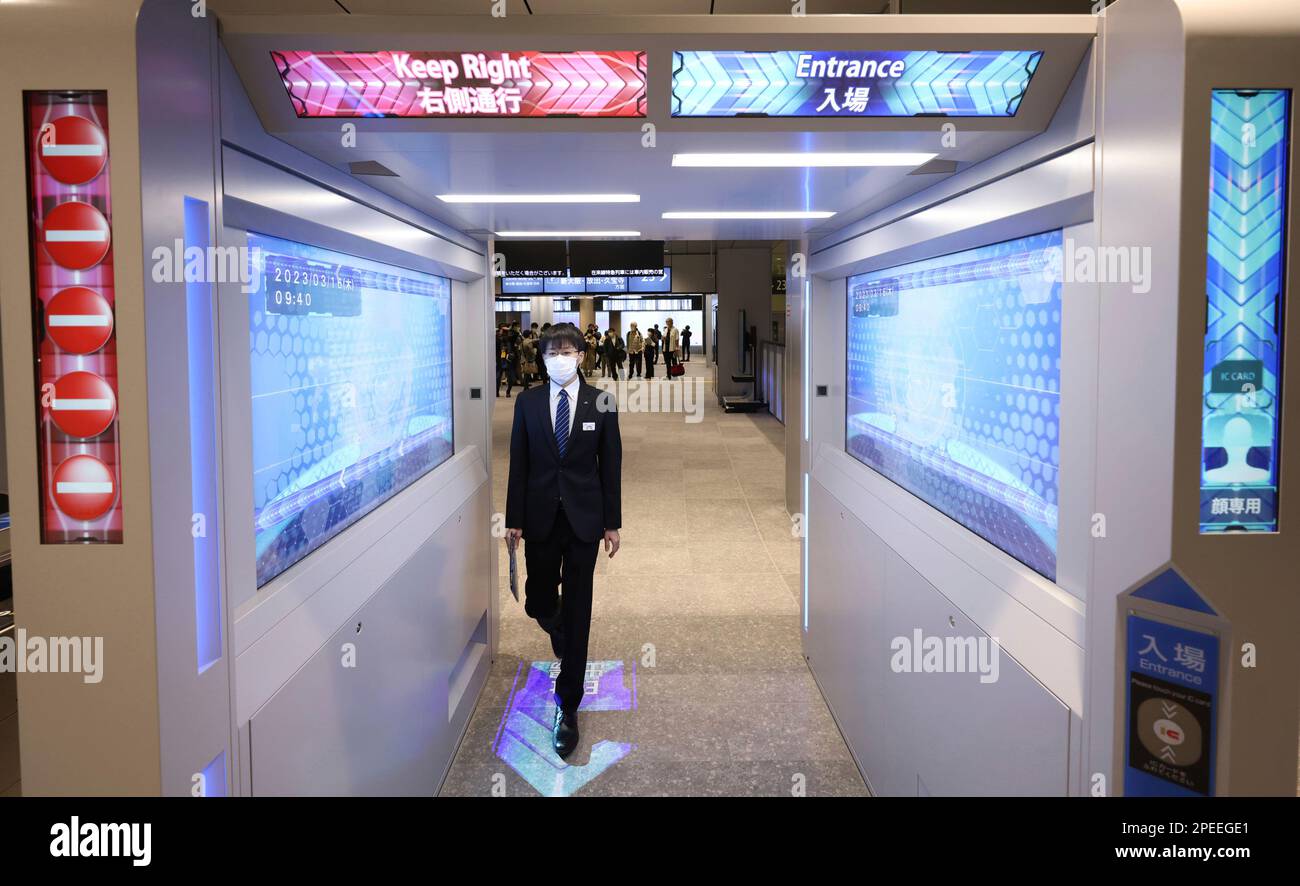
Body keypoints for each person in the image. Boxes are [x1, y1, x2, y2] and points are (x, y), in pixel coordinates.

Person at [506, 323, 622, 759]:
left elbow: (611, 464)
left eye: (567, 349)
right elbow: (519, 462)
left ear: (581, 355)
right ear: (542, 357)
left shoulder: (602, 401)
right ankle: (557, 624)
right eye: (552, 350)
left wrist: (612, 523)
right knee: (538, 599)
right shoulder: (528, 402)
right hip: (538, 516)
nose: (560, 356)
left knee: (579, 607)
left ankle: (567, 704)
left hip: (584, 521)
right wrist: (513, 517)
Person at [496, 326, 517, 397]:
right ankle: (500, 392)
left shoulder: (509, 339)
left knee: (508, 377)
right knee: (499, 377)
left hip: (507, 360)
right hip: (502, 360)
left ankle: (506, 392)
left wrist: (510, 329)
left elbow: (516, 333)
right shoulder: (497, 339)